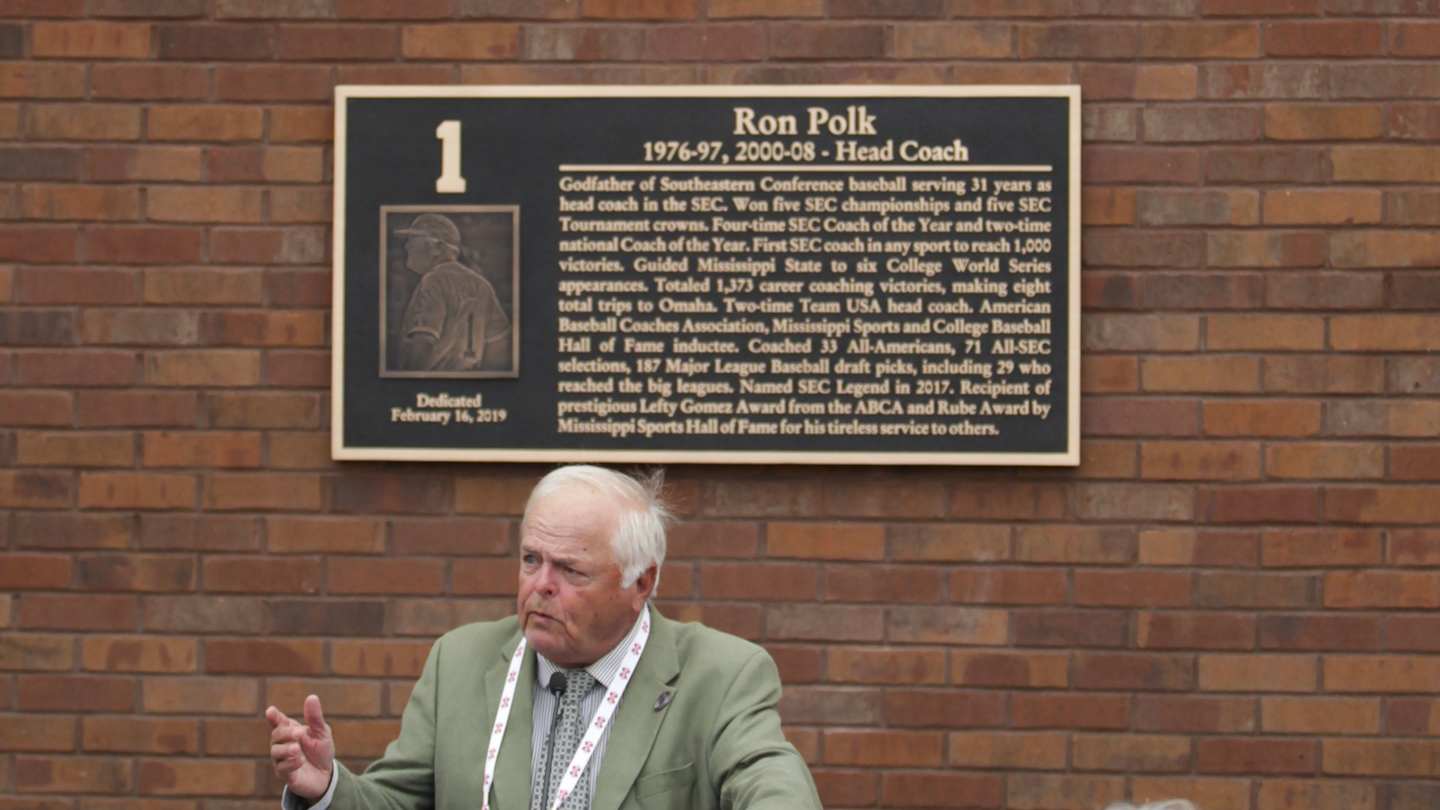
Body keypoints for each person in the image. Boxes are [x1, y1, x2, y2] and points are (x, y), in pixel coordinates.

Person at [266, 465, 821, 810]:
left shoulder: (721, 675)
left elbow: (768, 779)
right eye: (531, 560)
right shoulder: (459, 661)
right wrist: (329, 788)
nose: (540, 586)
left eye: (570, 571)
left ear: (641, 583)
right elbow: (397, 802)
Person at [394, 212, 513, 374]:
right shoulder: (482, 284)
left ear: (437, 247)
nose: (406, 246)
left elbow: (423, 343)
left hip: (431, 388)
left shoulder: (434, 279)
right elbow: (499, 348)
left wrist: (408, 381)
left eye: (412, 239)